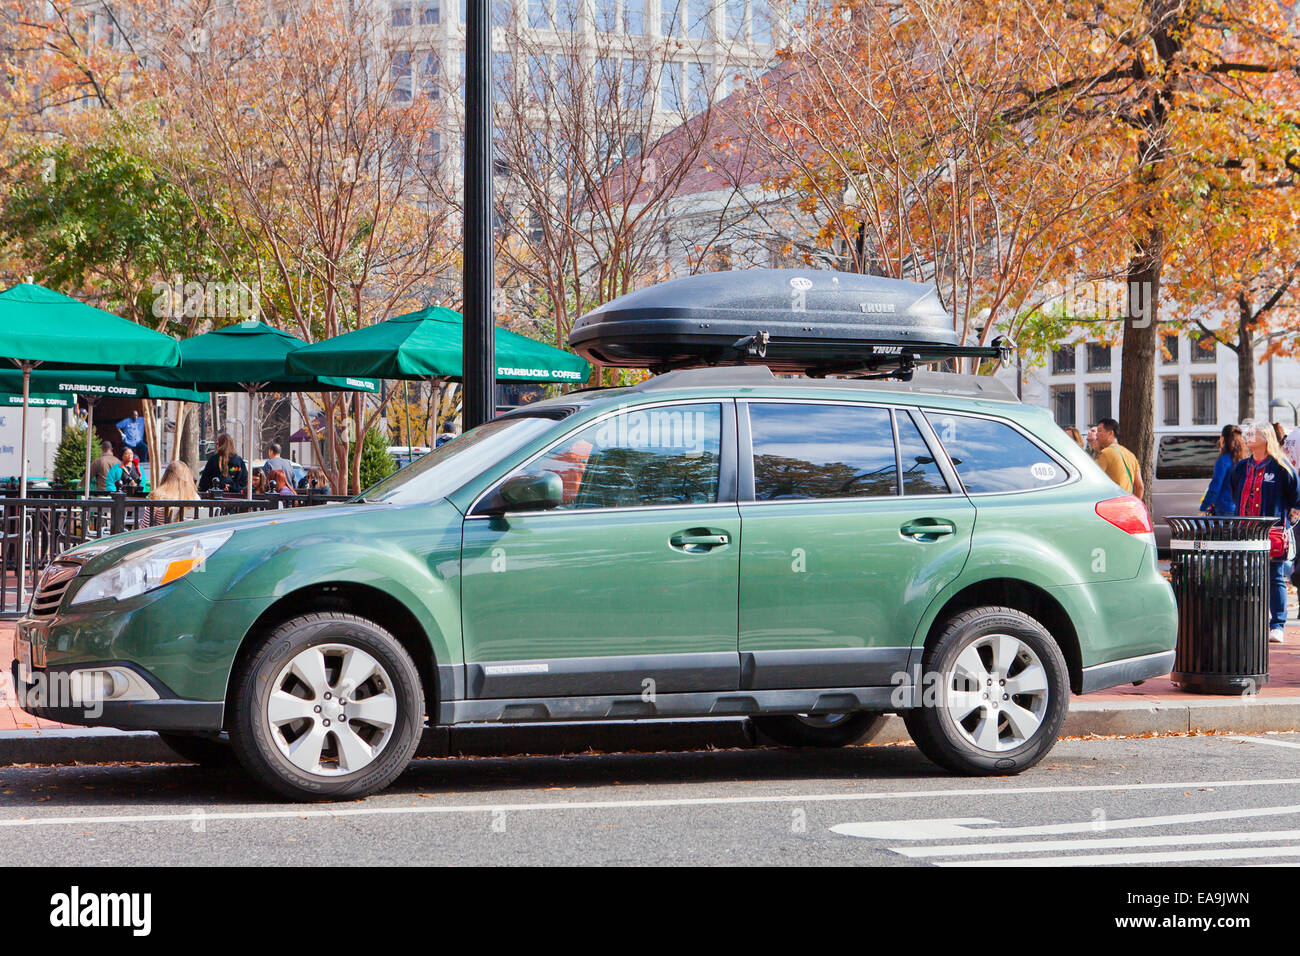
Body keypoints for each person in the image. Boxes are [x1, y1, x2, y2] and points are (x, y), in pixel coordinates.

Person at [1231, 420, 1300, 644]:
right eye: (1248, 433)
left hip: (1273, 532)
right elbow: (1235, 491)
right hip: (1245, 532)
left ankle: (1277, 625)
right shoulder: (1242, 467)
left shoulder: (1280, 467)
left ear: (1266, 438)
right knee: (1246, 576)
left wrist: (1292, 513)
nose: (1249, 437)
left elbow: (1295, 494)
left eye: (1254, 433)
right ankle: (1251, 620)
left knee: (1275, 576)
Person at [1200, 424, 1245, 516]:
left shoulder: (1224, 460)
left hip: (1224, 508)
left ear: (1223, 439)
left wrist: (1204, 507)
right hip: (1239, 508)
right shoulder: (1243, 460)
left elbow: (1215, 487)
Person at [1092, 418, 1143, 497]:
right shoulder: (1130, 455)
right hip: (1127, 504)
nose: (1096, 434)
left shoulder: (1106, 453)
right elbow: (1140, 487)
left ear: (1110, 433)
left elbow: (1092, 479)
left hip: (1112, 503)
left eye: (1099, 431)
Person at [140, 461, 200, 527]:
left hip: (163, 535)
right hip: (189, 535)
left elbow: (145, 525)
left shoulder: (158, 496)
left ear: (166, 475)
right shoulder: (194, 496)